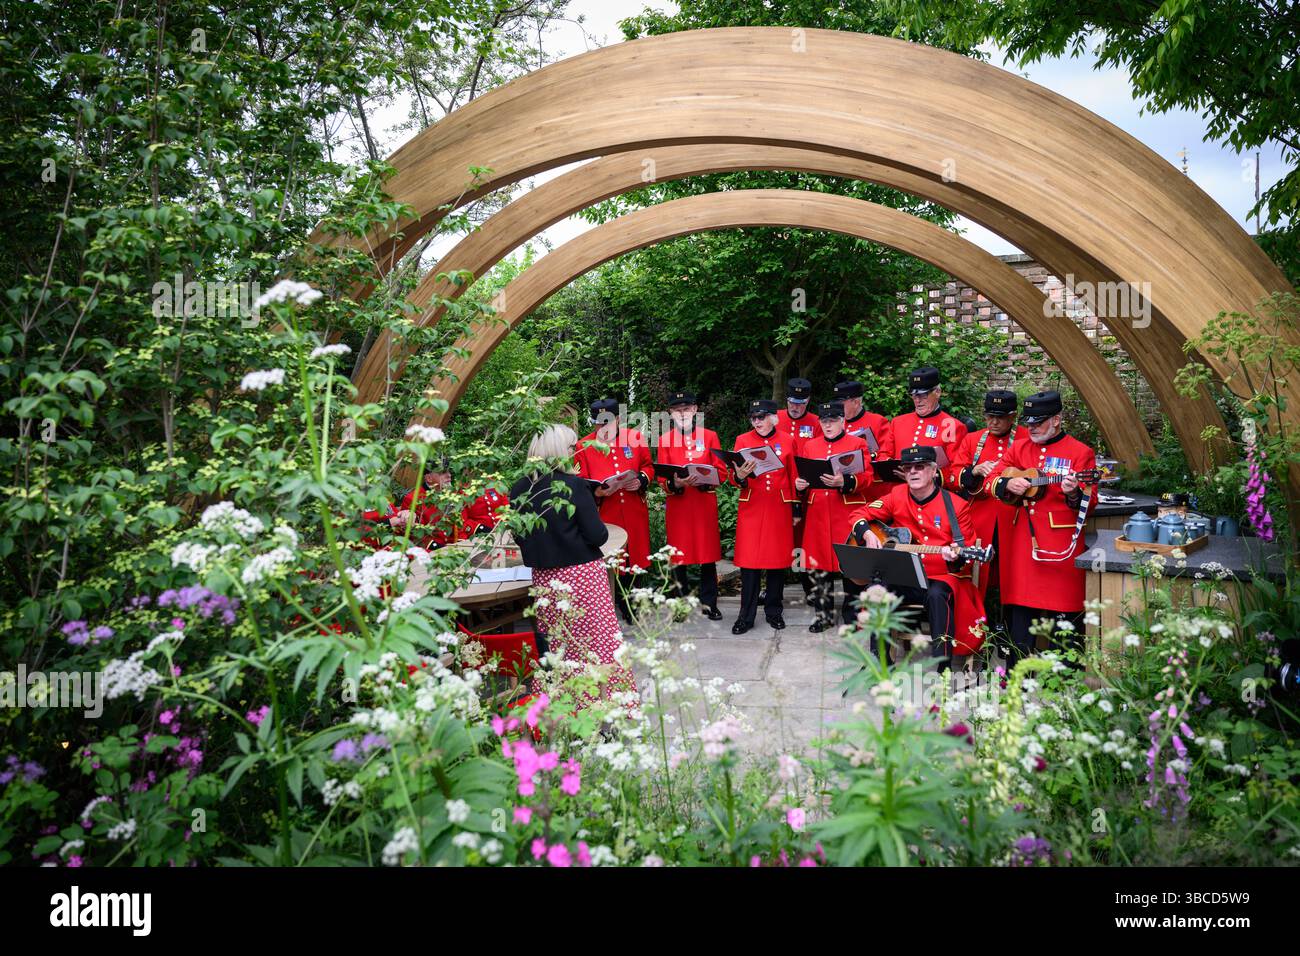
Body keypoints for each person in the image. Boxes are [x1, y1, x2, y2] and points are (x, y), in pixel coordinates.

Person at [508, 424, 637, 706]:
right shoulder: (574, 485)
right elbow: (598, 535)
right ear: (558, 450)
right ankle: (608, 706)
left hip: (544, 580)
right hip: (582, 576)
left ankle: (569, 706)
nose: (574, 452)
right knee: (598, 645)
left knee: (560, 646)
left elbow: (519, 534)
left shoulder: (518, 488)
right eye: (571, 447)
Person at [984, 390, 1097, 668]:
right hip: (1025, 540)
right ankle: (1017, 672)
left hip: (1061, 543)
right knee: (1021, 608)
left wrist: (1073, 494)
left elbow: (1089, 501)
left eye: (1039, 422)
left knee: (1065, 611)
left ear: (1057, 420)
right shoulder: (1019, 448)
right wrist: (1006, 484)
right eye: (1029, 421)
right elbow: (990, 479)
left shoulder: (1080, 453)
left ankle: (1064, 676)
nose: (1031, 427)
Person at [849, 445, 987, 667]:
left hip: (941, 575)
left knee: (937, 595)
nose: (913, 472)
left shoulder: (957, 506)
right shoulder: (896, 495)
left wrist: (956, 557)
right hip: (906, 574)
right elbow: (859, 514)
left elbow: (966, 554)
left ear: (933, 471)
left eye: (920, 467)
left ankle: (942, 664)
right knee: (878, 589)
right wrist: (866, 533)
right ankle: (880, 659)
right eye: (908, 468)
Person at [793, 401, 873, 632]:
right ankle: (823, 615)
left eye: (832, 420)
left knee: (850, 566)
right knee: (819, 567)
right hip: (817, 512)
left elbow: (867, 477)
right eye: (824, 421)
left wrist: (845, 481)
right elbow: (804, 478)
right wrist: (800, 485)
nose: (827, 425)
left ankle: (853, 615)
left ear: (842, 421)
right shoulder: (811, 445)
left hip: (846, 512)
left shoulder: (857, 443)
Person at [574, 397, 654, 623]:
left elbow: (648, 466)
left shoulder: (635, 438)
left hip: (634, 510)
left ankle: (634, 603)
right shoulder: (583, 446)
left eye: (607, 422)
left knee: (636, 556)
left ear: (618, 419)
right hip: (605, 513)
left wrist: (641, 479)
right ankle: (614, 602)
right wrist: (596, 493)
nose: (603, 428)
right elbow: (580, 483)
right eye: (598, 424)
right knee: (612, 559)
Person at [945, 389, 1027, 598]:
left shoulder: (1026, 438)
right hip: (979, 516)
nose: (993, 422)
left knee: (1015, 572)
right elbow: (953, 476)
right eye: (989, 416)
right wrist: (974, 470)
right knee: (978, 573)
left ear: (1013, 416)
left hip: (1016, 517)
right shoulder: (972, 439)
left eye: (1000, 417)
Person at [728, 398, 800, 634]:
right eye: (753, 417)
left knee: (776, 563)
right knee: (749, 564)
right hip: (752, 507)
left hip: (779, 507)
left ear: (772, 417)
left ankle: (774, 611)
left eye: (761, 417)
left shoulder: (788, 440)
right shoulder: (742, 440)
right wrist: (739, 475)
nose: (756, 421)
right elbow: (733, 477)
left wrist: (795, 509)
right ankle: (745, 617)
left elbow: (793, 475)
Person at [656, 390, 724, 620]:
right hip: (679, 506)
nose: (682, 413)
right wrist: (675, 482)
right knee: (678, 558)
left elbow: (721, 472)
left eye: (686, 409)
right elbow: (661, 477)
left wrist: (705, 480)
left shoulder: (710, 436)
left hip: (703, 504)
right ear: (670, 414)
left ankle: (710, 605)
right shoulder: (664, 440)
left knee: (707, 557)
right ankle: (679, 606)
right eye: (677, 410)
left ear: (695, 410)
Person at [776, 377, 820, 604]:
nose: (796, 407)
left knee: (806, 540)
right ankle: (774, 588)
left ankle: (810, 588)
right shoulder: (774, 418)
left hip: (807, 490)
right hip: (780, 490)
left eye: (801, 402)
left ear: (808, 400)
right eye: (792, 401)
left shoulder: (817, 422)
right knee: (779, 539)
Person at [886, 367, 968, 483]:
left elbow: (956, 469)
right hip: (900, 492)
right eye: (914, 395)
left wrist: (927, 477)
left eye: (923, 395)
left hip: (934, 492)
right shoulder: (897, 422)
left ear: (937, 392)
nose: (918, 400)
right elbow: (884, 454)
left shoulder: (950, 425)